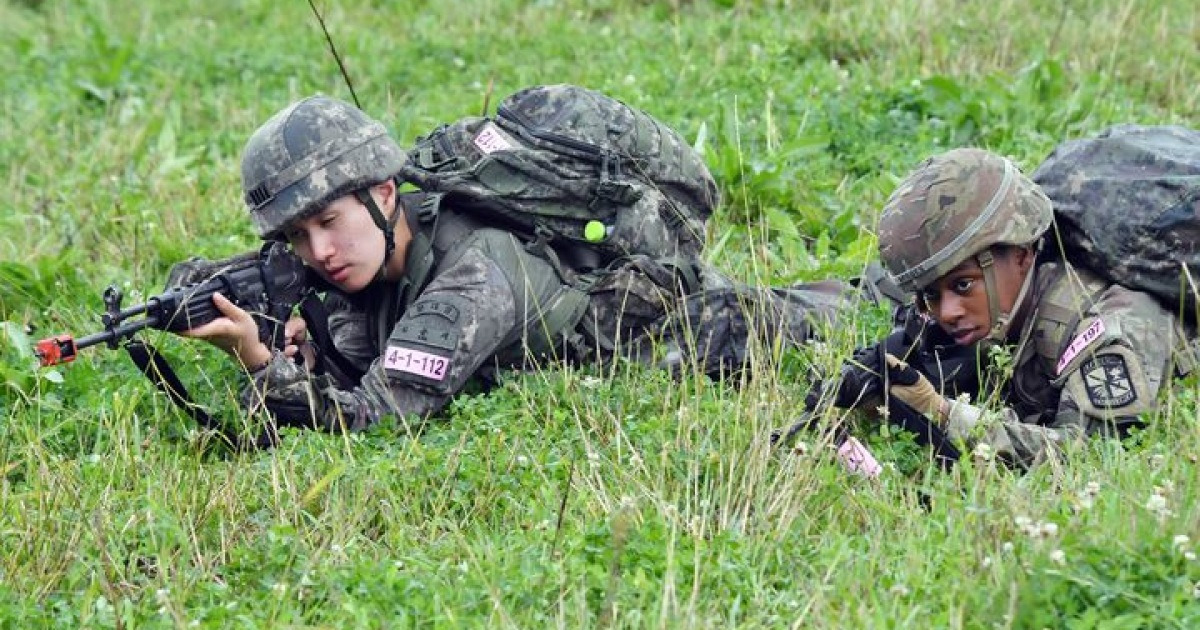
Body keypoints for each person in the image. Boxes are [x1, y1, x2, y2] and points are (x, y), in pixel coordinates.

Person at [179, 95, 856, 435]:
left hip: (674, 329)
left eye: (329, 222)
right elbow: (352, 347)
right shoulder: (381, 248)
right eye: (298, 236)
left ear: (384, 194)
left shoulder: (472, 277)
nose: (319, 252)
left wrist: (259, 364)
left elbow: (378, 419)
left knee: (847, 316)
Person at [873, 147, 1193, 467]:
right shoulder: (1004, 308)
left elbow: (1092, 455)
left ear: (1021, 255)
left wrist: (942, 413)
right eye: (932, 294)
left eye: (963, 285)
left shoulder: (1104, 331)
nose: (947, 312)